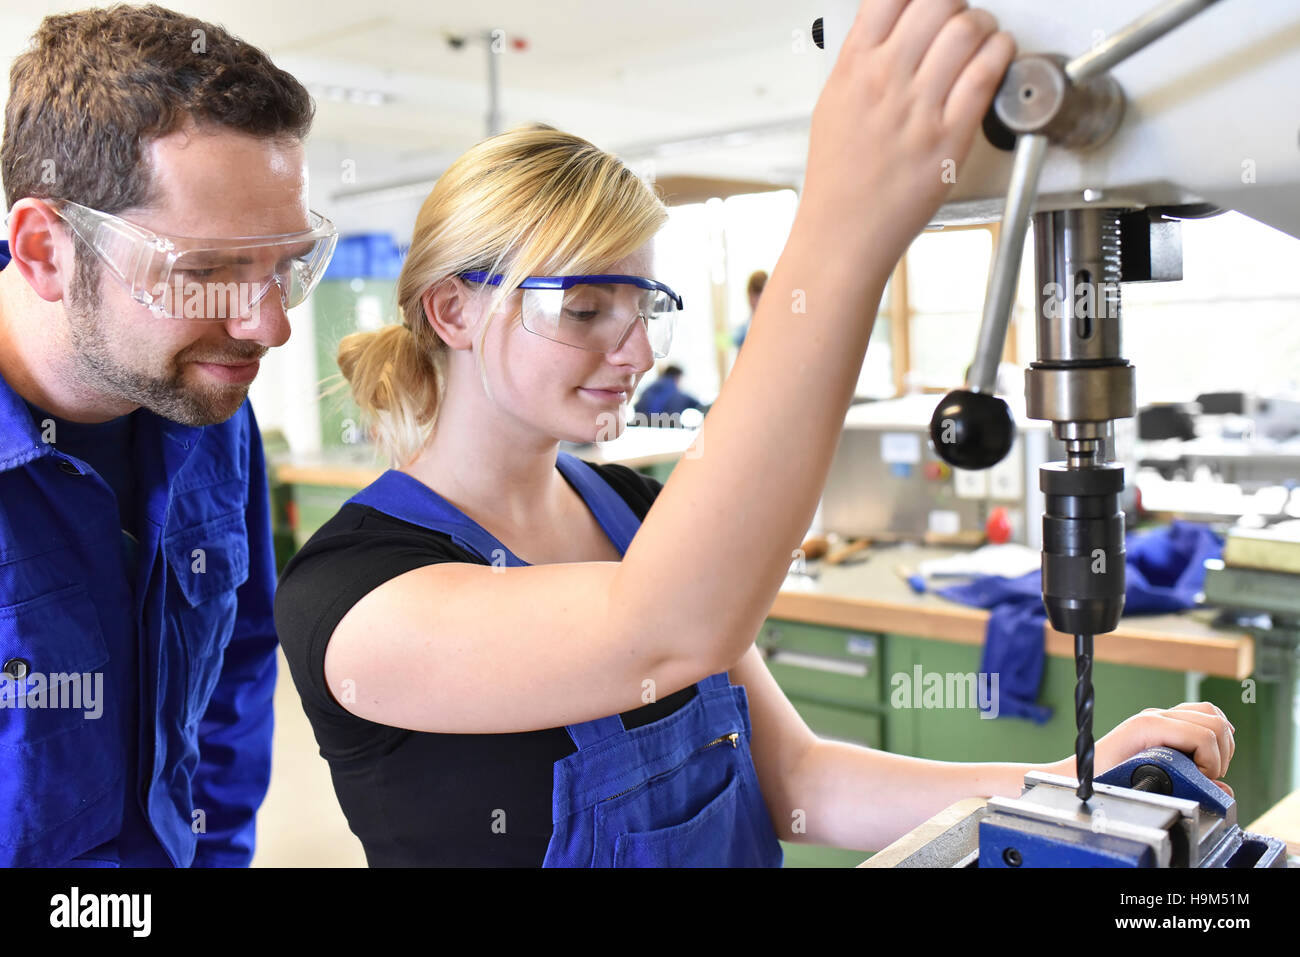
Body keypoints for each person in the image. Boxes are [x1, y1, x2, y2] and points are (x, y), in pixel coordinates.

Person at [273, 0, 1235, 867]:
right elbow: (657, 631)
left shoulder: (636, 514)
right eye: (587, 306)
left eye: (645, 302)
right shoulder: (357, 595)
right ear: (451, 311)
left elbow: (801, 785)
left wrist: (1067, 784)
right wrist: (846, 215)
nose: (638, 345)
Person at [0, 5, 337, 866]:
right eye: (208, 271)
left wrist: (215, 851)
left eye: (285, 267)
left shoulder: (207, 408)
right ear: (46, 251)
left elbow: (236, 669)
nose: (268, 327)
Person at [633, 363, 705, 423]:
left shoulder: (648, 389)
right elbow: (701, 407)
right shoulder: (679, 395)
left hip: (642, 429)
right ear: (677, 377)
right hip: (668, 431)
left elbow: (637, 407)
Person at [732, 269, 767, 350]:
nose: (755, 300)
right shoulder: (742, 330)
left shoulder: (773, 327)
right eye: (753, 296)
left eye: (759, 295)